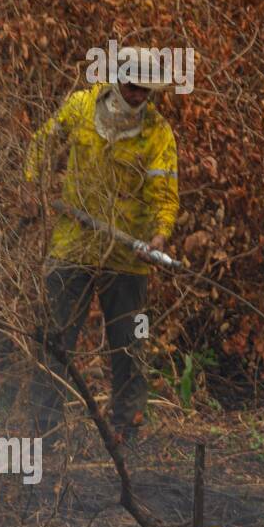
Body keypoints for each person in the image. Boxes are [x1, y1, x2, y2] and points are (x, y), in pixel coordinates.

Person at [23, 74, 179, 442]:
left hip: (127, 255)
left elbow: (165, 193)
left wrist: (159, 235)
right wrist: (29, 186)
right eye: (132, 87)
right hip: (72, 245)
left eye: (146, 90)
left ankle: (127, 424)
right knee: (54, 338)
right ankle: (46, 427)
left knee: (129, 341)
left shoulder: (157, 132)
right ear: (118, 81)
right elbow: (41, 142)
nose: (138, 95)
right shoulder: (81, 107)